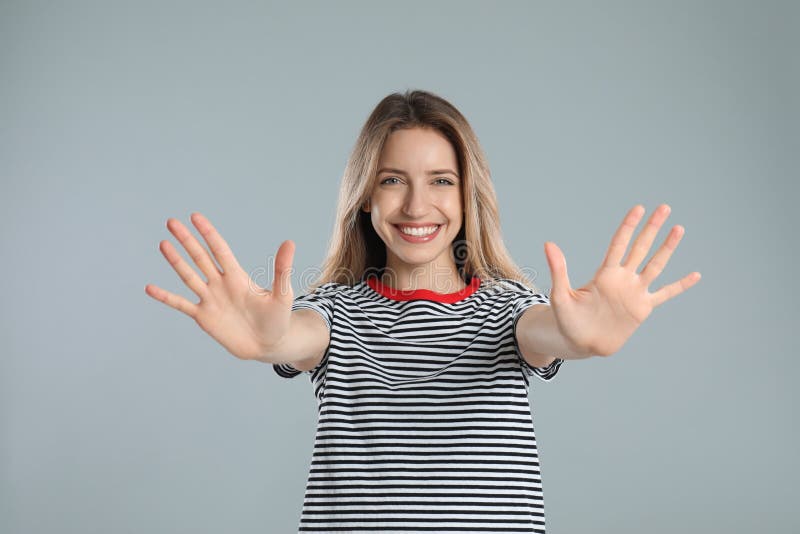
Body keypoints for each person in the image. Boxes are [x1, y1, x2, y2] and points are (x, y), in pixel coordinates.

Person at [145, 89, 701, 533]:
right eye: (392, 181)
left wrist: (580, 336)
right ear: (365, 195)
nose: (416, 205)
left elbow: (546, 332)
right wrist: (271, 341)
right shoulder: (333, 313)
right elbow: (297, 336)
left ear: (467, 196)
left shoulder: (509, 310)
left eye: (441, 181)